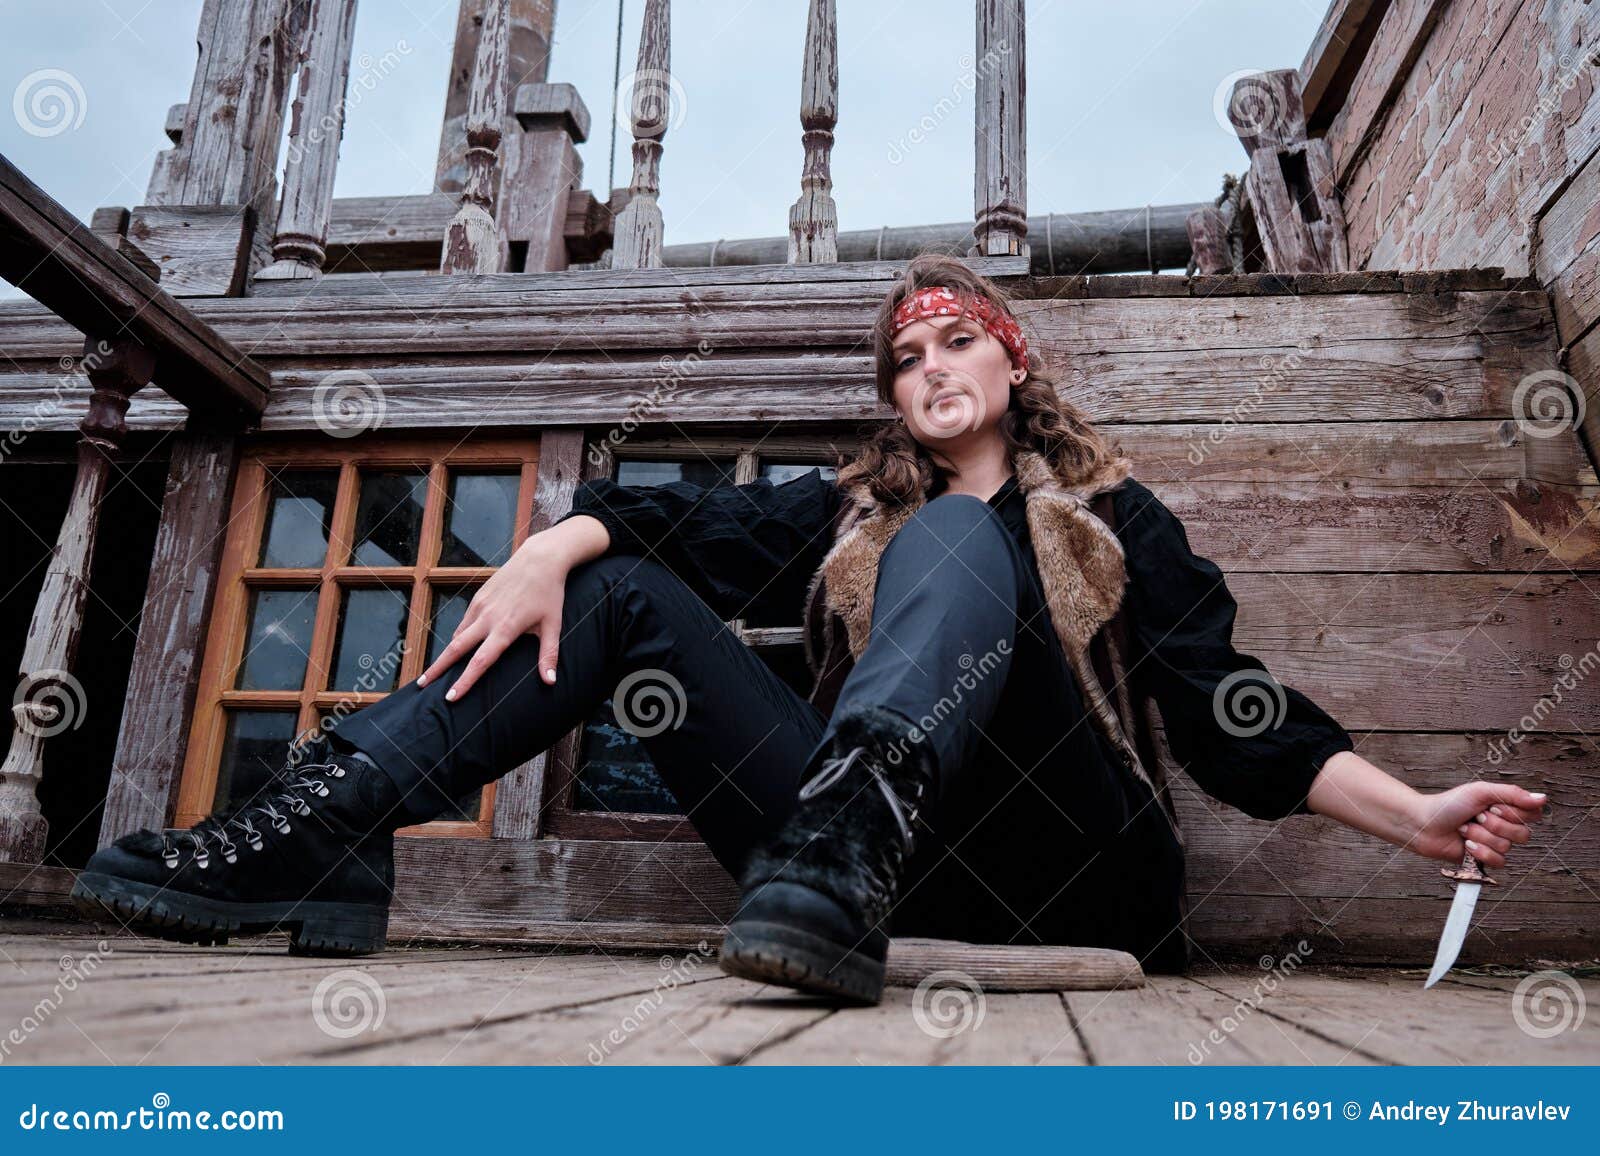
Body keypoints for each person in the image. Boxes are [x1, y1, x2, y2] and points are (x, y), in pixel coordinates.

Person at [73, 254, 1549, 1005]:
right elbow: (669, 535)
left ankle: (845, 846)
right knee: (627, 590)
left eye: (959, 337)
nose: (931, 367)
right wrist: (552, 546)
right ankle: (318, 824)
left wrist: (1412, 816)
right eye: (906, 358)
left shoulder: (1118, 517)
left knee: (967, 532)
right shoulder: (845, 512)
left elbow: (1230, 708)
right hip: (852, 871)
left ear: (1014, 358)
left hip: (1068, 871)